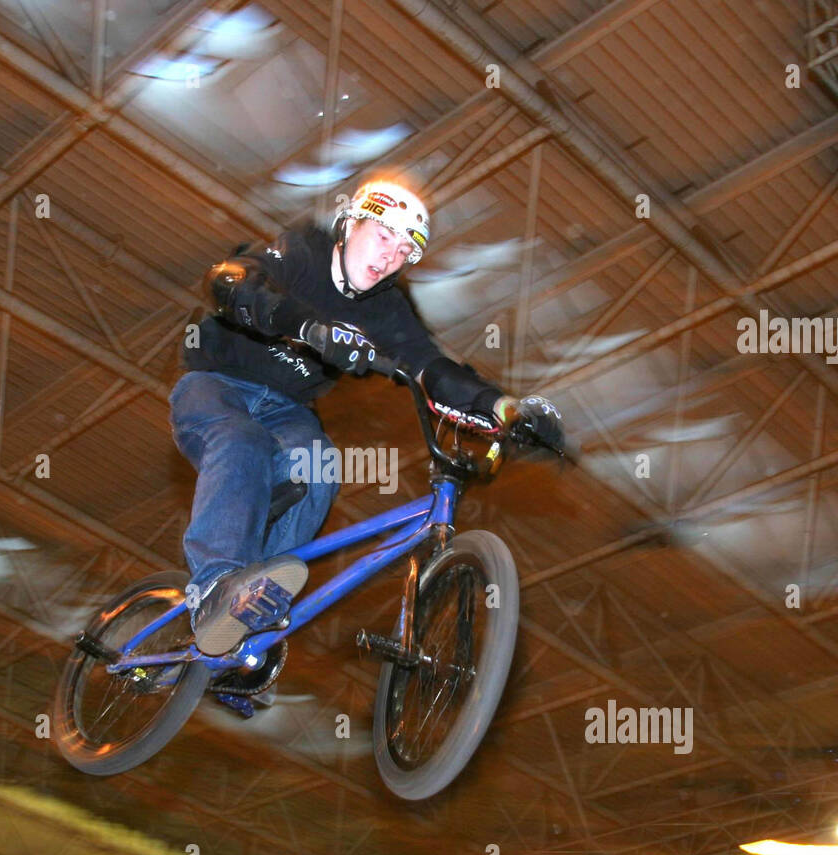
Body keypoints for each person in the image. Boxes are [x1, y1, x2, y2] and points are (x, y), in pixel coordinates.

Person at [169, 178, 563, 658]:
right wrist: (306, 327)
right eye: (382, 237)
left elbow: (433, 368)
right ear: (350, 224)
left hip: (288, 409)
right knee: (242, 442)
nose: (388, 259)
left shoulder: (387, 311)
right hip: (215, 384)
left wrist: (504, 408)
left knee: (319, 466)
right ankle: (215, 590)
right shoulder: (303, 251)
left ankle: (251, 613)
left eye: (403, 252)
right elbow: (230, 281)